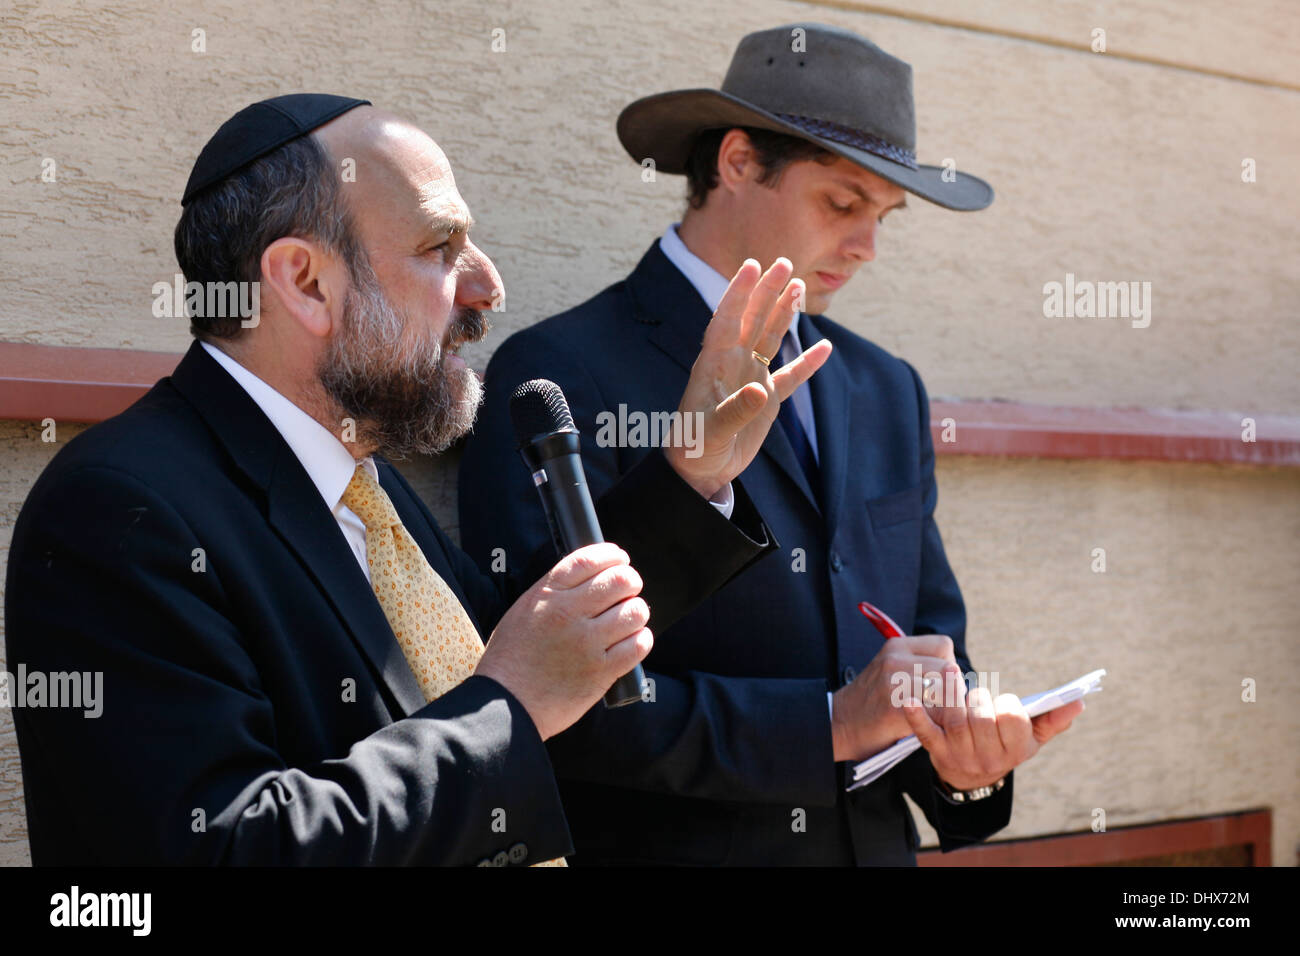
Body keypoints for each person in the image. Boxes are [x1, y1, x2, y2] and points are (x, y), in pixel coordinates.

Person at [3, 93, 829, 865]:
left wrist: (692, 473)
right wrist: (506, 707)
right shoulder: (119, 509)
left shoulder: (369, 485)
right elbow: (216, 848)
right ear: (305, 282)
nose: (487, 288)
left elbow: (533, 649)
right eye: (442, 249)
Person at [459, 24, 1084, 865]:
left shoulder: (885, 386)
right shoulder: (560, 370)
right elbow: (537, 704)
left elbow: (929, 643)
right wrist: (828, 726)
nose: (867, 247)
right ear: (739, 162)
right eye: (842, 202)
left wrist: (964, 761)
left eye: (884, 215)